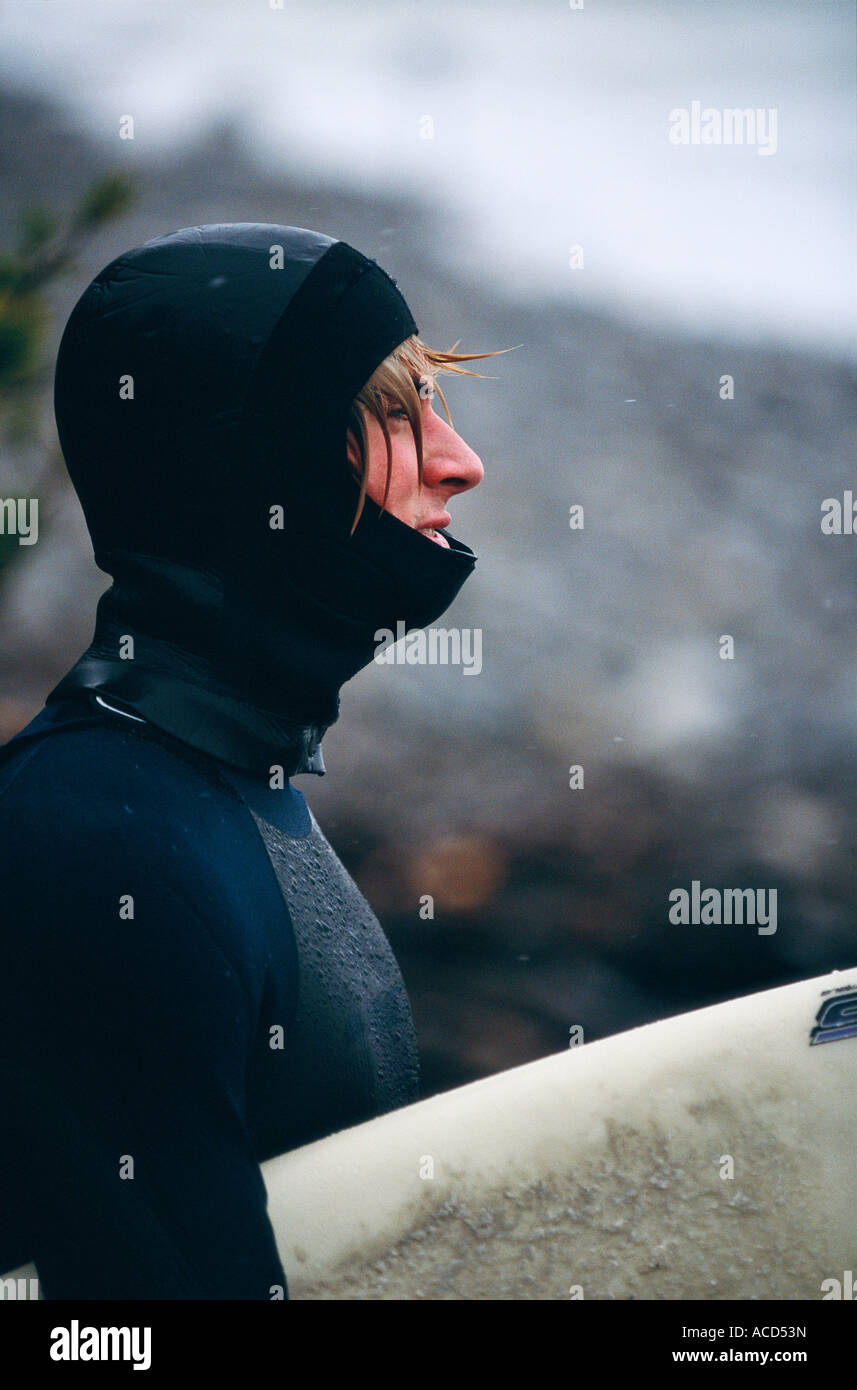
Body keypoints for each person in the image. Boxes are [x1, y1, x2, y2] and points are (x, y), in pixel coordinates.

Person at [0, 222, 503, 1299]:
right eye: (391, 414)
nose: (460, 463)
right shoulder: (103, 845)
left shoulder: (215, 782)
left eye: (437, 406)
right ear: (252, 463)